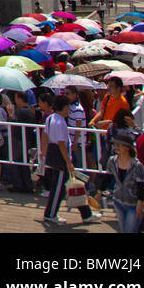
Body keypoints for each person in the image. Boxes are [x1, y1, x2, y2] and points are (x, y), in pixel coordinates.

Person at [42, 96, 91, 226]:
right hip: (60, 157)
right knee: (59, 187)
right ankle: (50, 214)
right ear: (64, 107)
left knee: (68, 184)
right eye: (68, 106)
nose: (69, 109)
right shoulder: (60, 121)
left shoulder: (50, 118)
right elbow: (61, 144)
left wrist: (43, 152)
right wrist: (69, 162)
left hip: (54, 155)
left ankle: (86, 214)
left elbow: (45, 136)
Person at [104, 134, 144, 234]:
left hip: (133, 204)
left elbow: (140, 186)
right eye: (115, 145)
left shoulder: (137, 165)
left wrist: (140, 204)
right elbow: (108, 178)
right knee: (123, 230)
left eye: (119, 145)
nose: (116, 147)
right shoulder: (112, 161)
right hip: (118, 201)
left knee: (130, 230)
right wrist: (99, 192)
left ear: (127, 147)